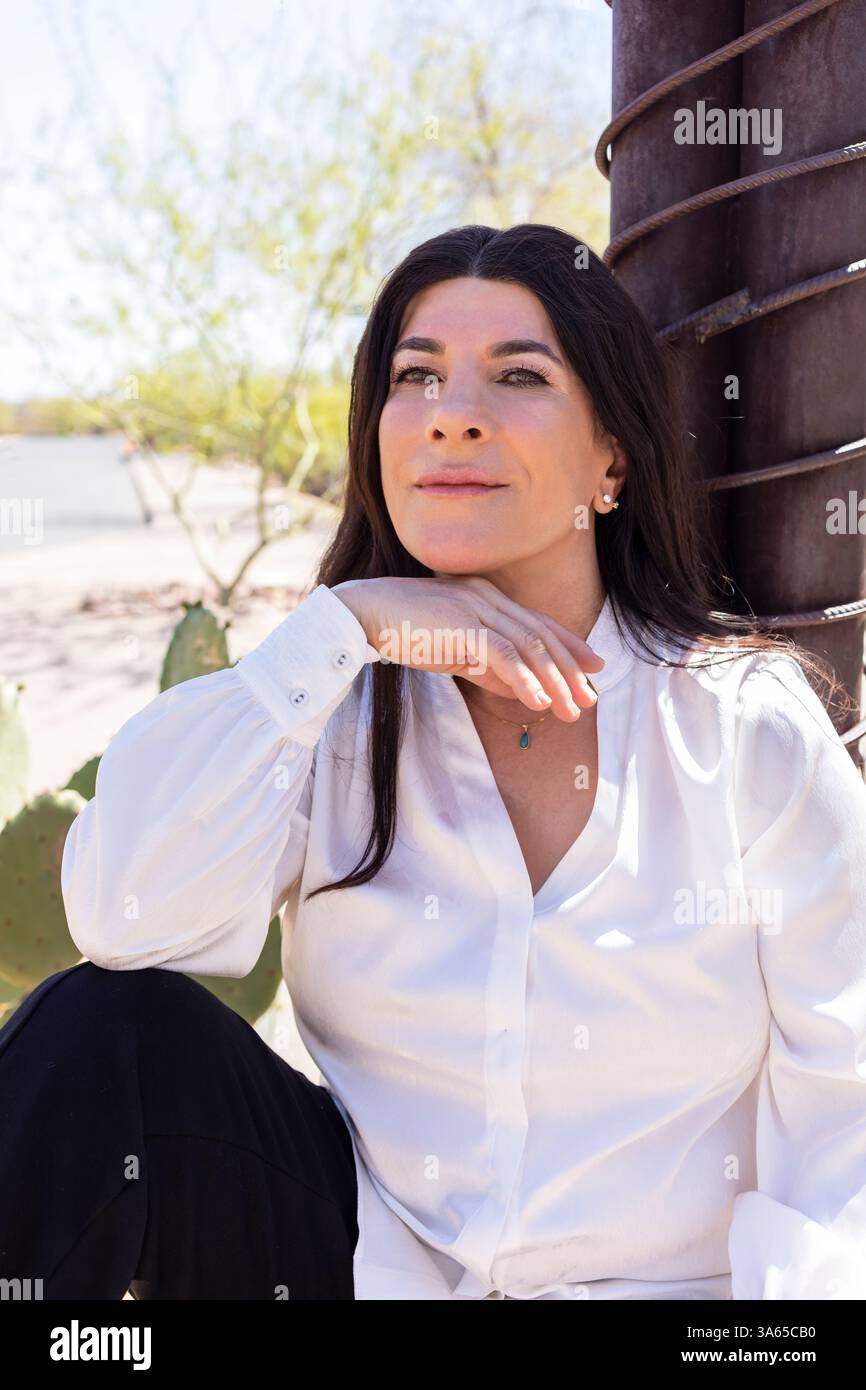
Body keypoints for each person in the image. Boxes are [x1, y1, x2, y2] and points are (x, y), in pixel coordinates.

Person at [2, 222, 866, 1301]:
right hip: (369, 1275)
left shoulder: (740, 728)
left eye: (517, 374)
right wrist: (343, 627)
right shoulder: (325, 713)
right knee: (97, 1030)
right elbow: (120, 913)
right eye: (416, 376)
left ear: (610, 460)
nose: (452, 413)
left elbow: (847, 1111)